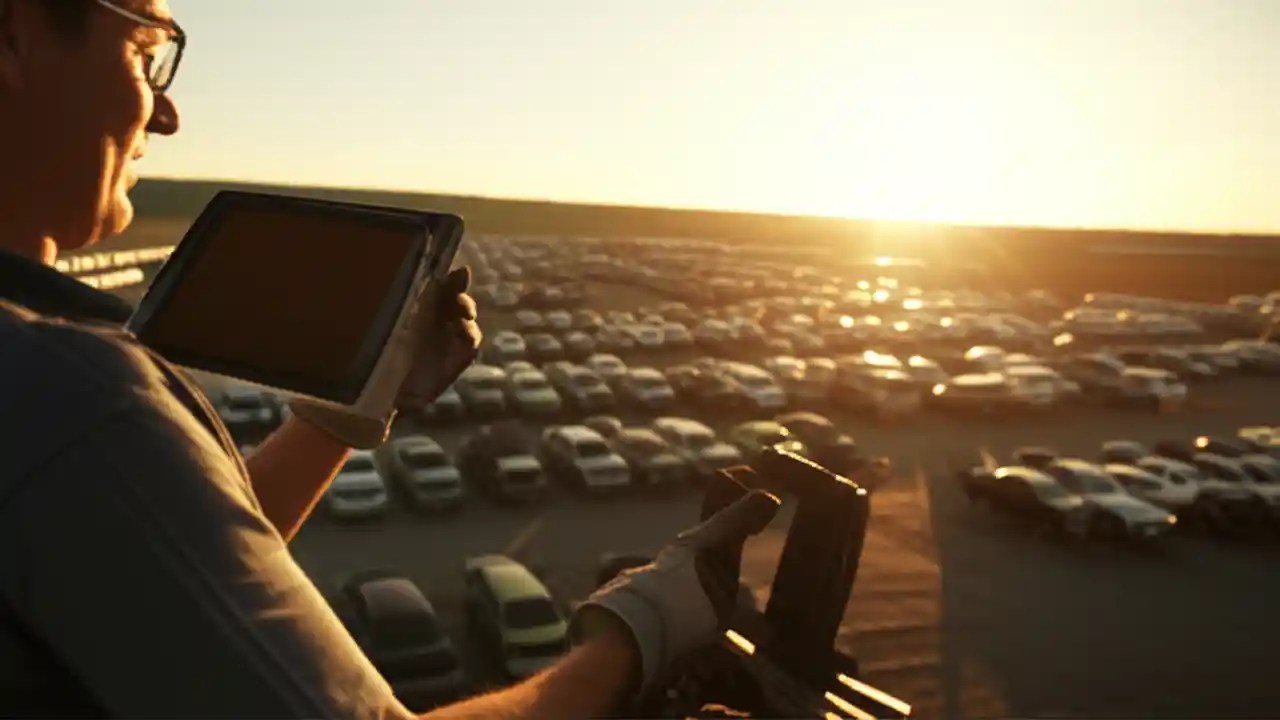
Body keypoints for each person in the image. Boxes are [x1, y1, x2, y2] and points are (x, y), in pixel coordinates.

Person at [0, 1, 779, 717]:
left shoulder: (62, 420)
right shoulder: (71, 394)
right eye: (145, 51)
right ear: (15, 32)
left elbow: (153, 580)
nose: (166, 113)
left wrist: (347, 412)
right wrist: (636, 632)